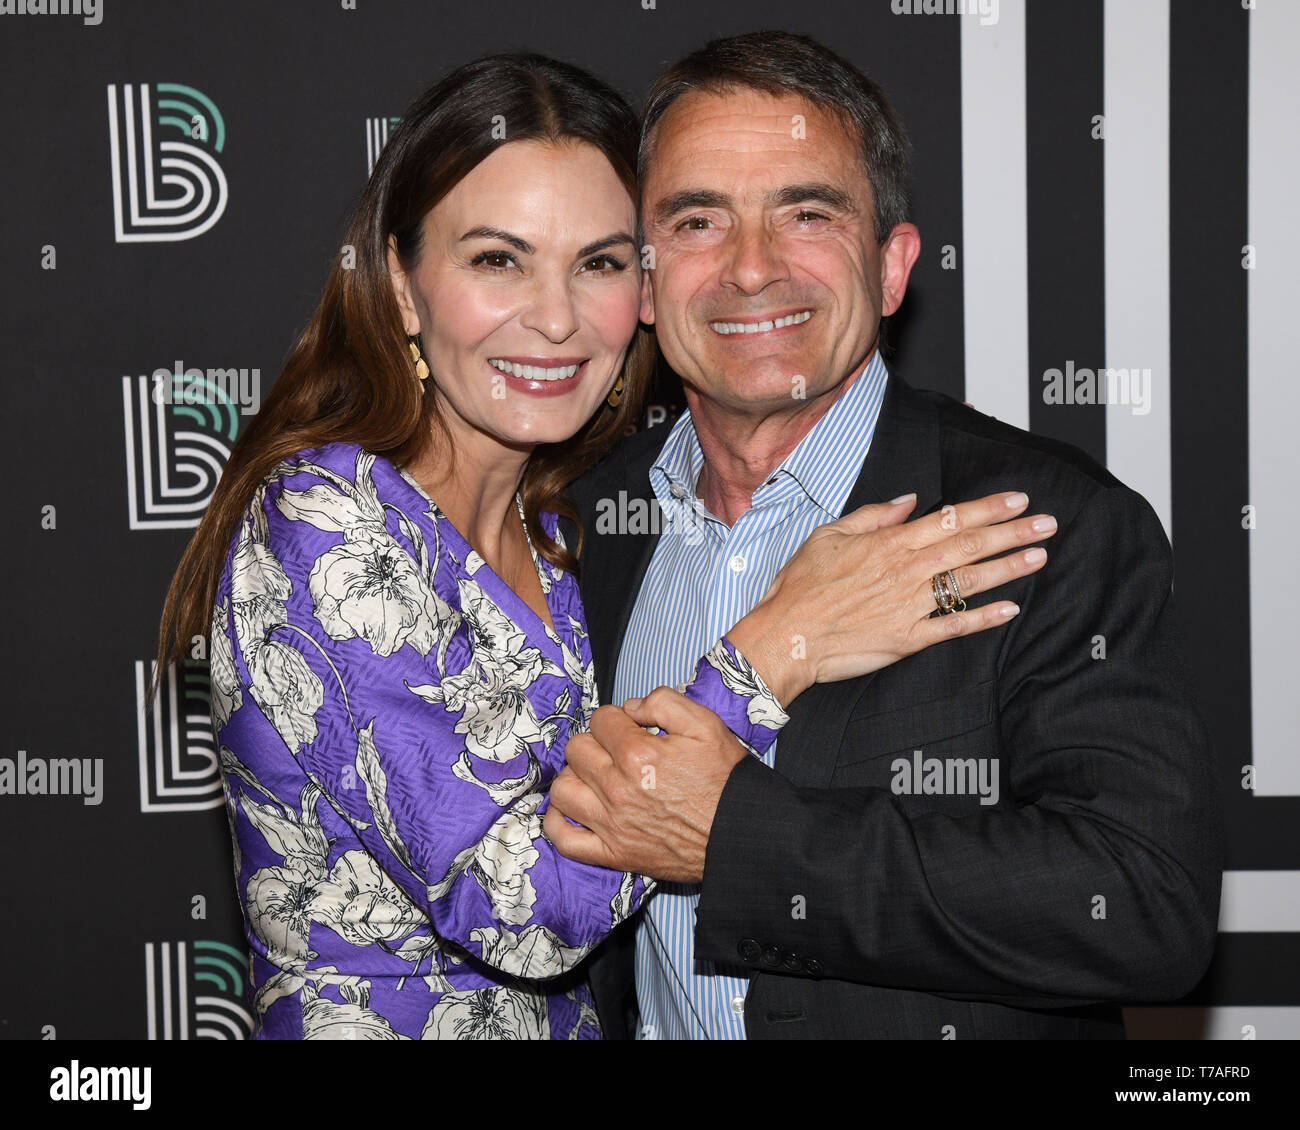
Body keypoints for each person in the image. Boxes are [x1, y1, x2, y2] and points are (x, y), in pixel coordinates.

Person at [152, 52, 1048, 1040]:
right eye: (497, 258)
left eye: (600, 261)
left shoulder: (563, 528)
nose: (554, 317)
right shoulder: (325, 521)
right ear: (402, 287)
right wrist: (779, 643)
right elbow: (523, 913)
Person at [546, 30, 1223, 1040]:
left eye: (807, 213)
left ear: (892, 264)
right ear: (640, 280)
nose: (749, 269)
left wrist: (739, 837)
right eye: (696, 221)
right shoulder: (575, 525)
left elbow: (1141, 906)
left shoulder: (1043, 522)